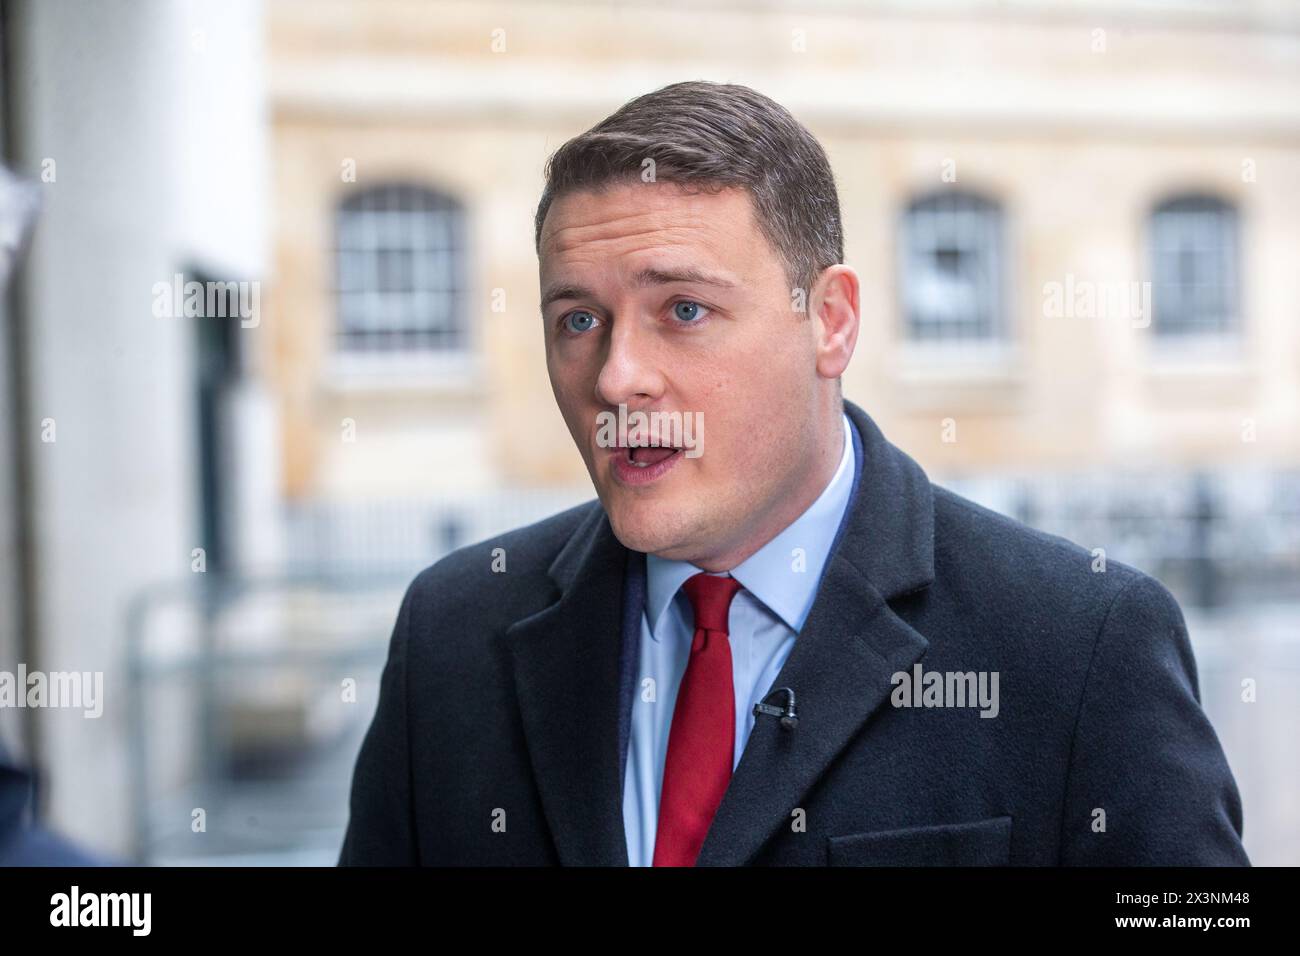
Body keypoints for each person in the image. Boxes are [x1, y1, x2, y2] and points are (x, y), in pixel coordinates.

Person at [339, 81, 1248, 866]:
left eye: (683, 309)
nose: (617, 376)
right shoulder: (452, 637)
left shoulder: (1080, 644)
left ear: (831, 322)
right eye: (579, 319)